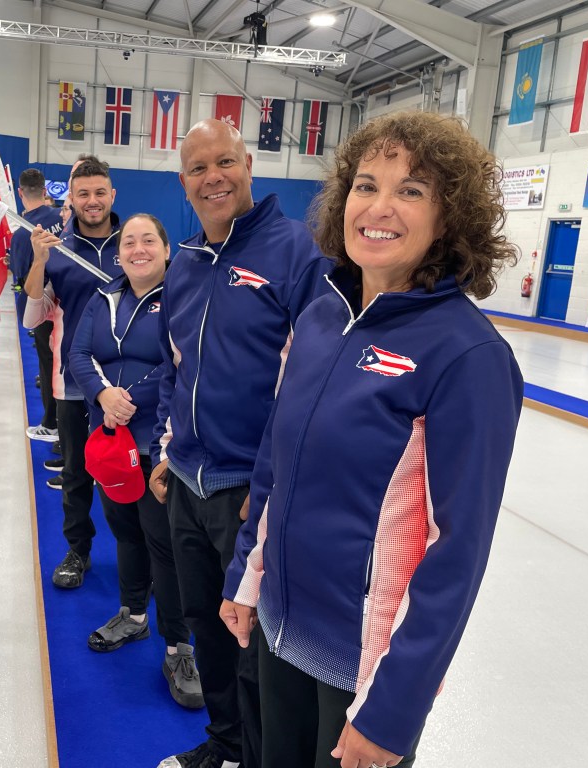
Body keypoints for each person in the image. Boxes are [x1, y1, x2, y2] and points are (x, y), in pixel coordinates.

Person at [220, 111, 524, 768]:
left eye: (411, 190)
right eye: (366, 185)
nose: (379, 207)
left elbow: (457, 555)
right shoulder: (321, 315)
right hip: (279, 628)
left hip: (363, 669)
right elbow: (274, 464)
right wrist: (247, 577)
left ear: (449, 218)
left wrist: (393, 709)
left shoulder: (466, 355)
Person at [150, 119, 331, 768]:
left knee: (254, 646)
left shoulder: (297, 252)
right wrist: (170, 448)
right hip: (190, 483)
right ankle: (224, 746)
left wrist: (275, 488)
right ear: (184, 183)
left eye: (224, 162)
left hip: (248, 495)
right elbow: (177, 367)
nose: (213, 177)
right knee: (205, 625)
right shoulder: (189, 261)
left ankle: (254, 758)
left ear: (248, 164)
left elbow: (318, 381)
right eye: (198, 169)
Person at [68, 213, 204, 709]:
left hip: (158, 447)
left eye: (150, 240)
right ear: (120, 251)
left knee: (163, 546)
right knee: (124, 531)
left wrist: (137, 404)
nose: (139, 248)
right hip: (110, 443)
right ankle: (133, 613)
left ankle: (179, 646)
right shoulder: (103, 296)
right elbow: (78, 354)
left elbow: (180, 366)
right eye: (130, 241)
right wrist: (104, 396)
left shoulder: (183, 299)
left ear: (167, 251)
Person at [24, 156, 124, 588]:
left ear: (112, 195)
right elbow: (33, 314)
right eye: (83, 193)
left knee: (128, 476)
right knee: (77, 477)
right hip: (72, 385)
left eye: (100, 192)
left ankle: (138, 560)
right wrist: (39, 260)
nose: (92, 200)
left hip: (127, 387)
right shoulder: (57, 249)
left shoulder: (135, 244)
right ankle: (77, 552)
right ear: (72, 198)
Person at [11, 168, 65, 447]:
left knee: (48, 364)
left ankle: (50, 423)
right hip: (68, 299)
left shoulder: (22, 231)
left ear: (21, 192)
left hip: (43, 304)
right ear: (45, 191)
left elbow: (21, 276)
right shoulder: (62, 218)